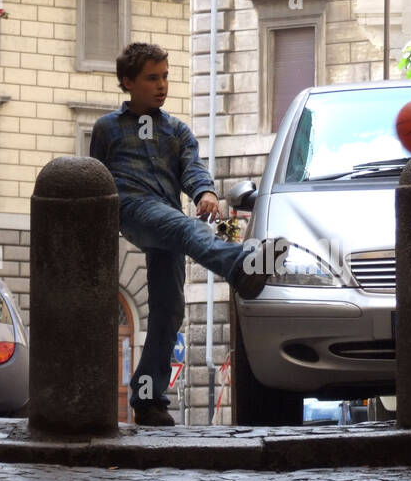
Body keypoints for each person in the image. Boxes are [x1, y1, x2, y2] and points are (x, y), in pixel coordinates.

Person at [89, 42, 286, 427]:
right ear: (127, 82)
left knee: (169, 310)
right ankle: (240, 264)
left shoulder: (177, 130)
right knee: (185, 227)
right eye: (151, 78)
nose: (162, 85)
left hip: (166, 216)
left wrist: (206, 192)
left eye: (165, 76)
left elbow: (193, 169)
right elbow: (96, 179)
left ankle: (147, 399)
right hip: (131, 208)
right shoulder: (107, 129)